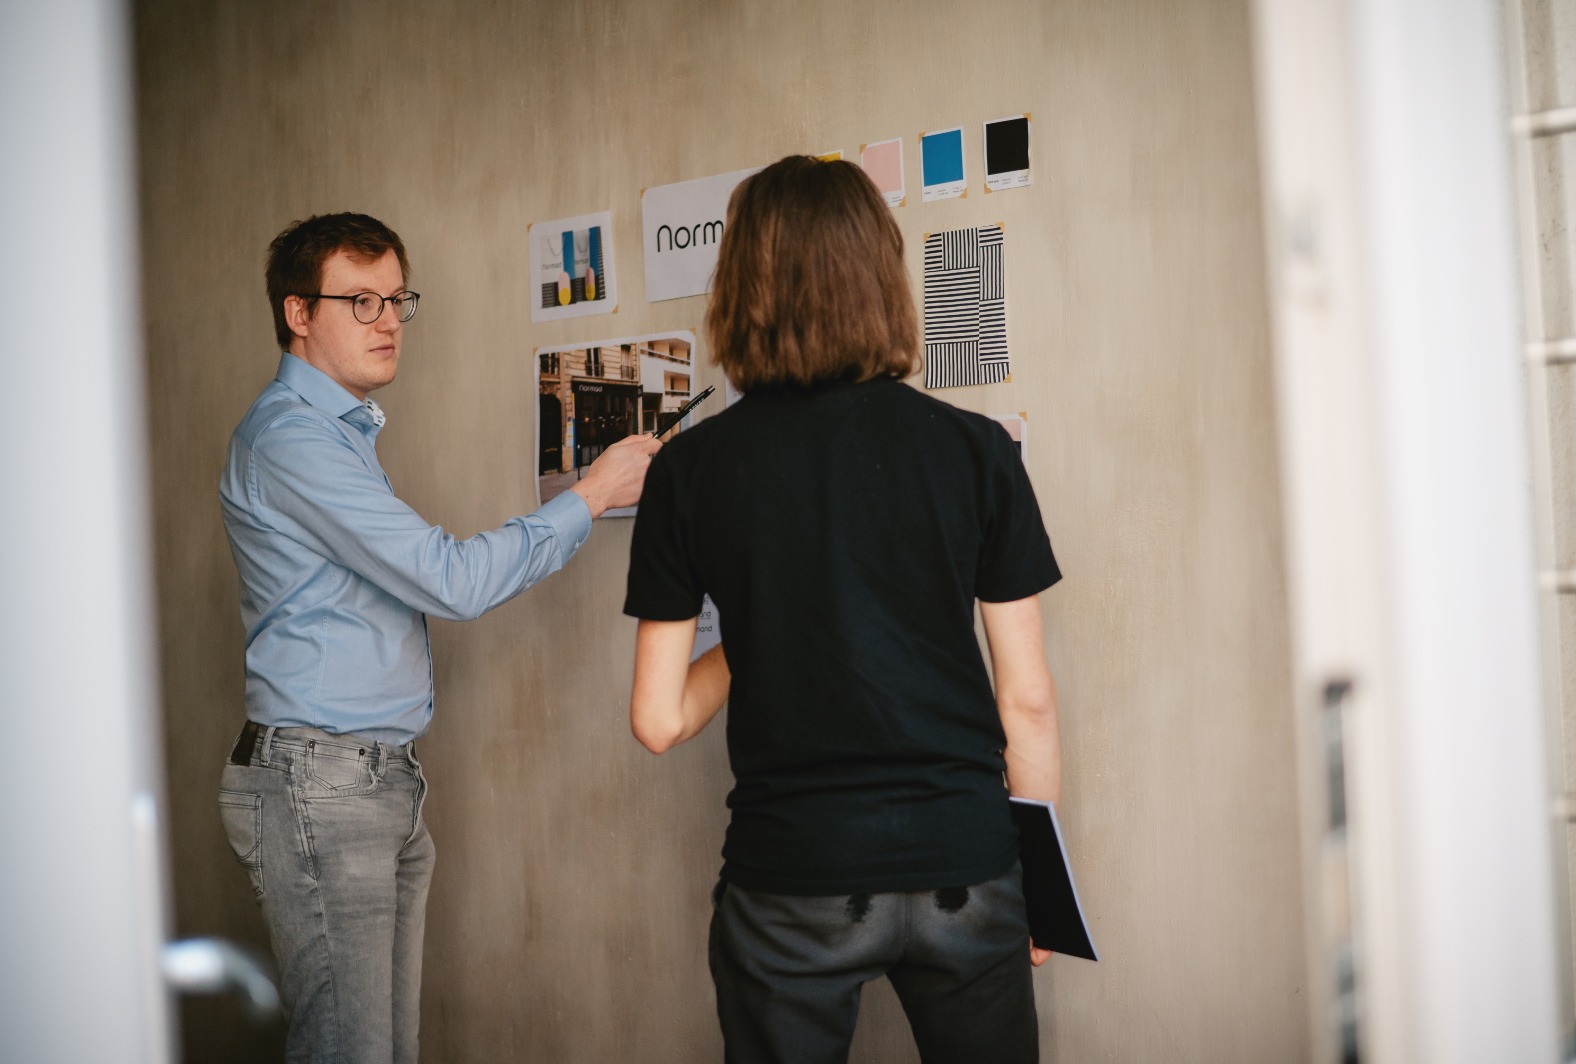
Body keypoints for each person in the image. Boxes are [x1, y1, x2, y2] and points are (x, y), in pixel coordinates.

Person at [624, 156, 1064, 1064]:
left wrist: (768, 625)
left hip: (795, 881)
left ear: (740, 284)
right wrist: (1044, 892)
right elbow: (1027, 702)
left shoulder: (692, 471)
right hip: (967, 867)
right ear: (881, 277)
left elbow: (660, 720)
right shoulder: (979, 452)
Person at [216, 212, 660, 1064]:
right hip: (322, 786)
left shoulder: (337, 435)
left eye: (396, 299)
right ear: (297, 314)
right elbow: (449, 580)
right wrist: (591, 495)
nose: (387, 321)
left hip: (372, 780)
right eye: (360, 300)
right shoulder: (291, 438)